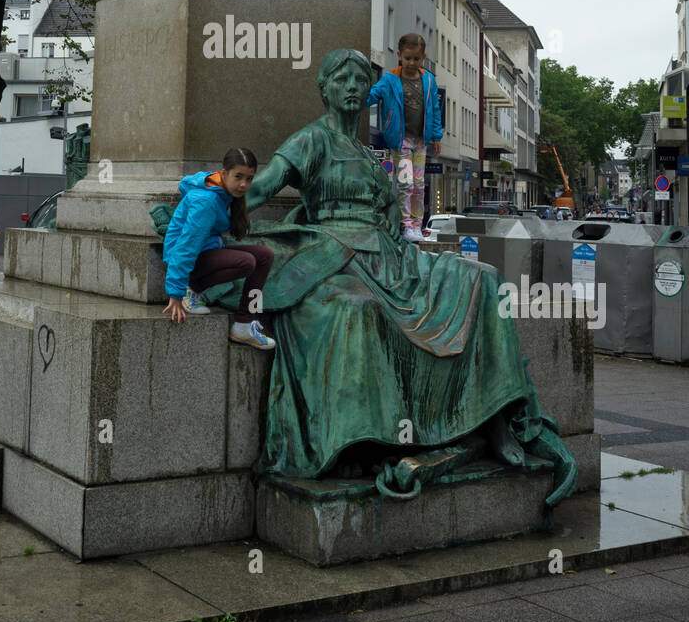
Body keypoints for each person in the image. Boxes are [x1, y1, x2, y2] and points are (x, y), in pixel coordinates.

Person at [204, 49, 577, 506]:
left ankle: (495, 416)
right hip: (335, 254)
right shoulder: (310, 140)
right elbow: (258, 188)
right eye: (341, 79)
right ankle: (366, 441)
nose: (352, 87)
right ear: (324, 88)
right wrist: (204, 215)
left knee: (489, 280)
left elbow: (392, 219)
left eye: (360, 80)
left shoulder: (366, 151)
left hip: (391, 256)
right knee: (358, 311)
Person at [162, 148, 276, 351]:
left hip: (206, 251)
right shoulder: (205, 201)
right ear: (224, 173)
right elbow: (186, 247)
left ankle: (244, 323)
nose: (243, 185)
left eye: (249, 179)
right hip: (187, 260)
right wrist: (176, 293)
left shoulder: (224, 192)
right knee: (247, 262)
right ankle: (193, 290)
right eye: (238, 177)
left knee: (265, 255)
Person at [366, 33, 443, 243]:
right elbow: (373, 94)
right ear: (399, 55)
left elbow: (435, 109)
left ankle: (417, 225)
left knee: (419, 184)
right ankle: (405, 223)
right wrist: (359, 97)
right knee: (406, 182)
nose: (411, 63)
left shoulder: (428, 79)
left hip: (420, 141)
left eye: (416, 59)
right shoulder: (390, 79)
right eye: (407, 58)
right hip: (401, 141)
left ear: (423, 58)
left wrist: (436, 136)